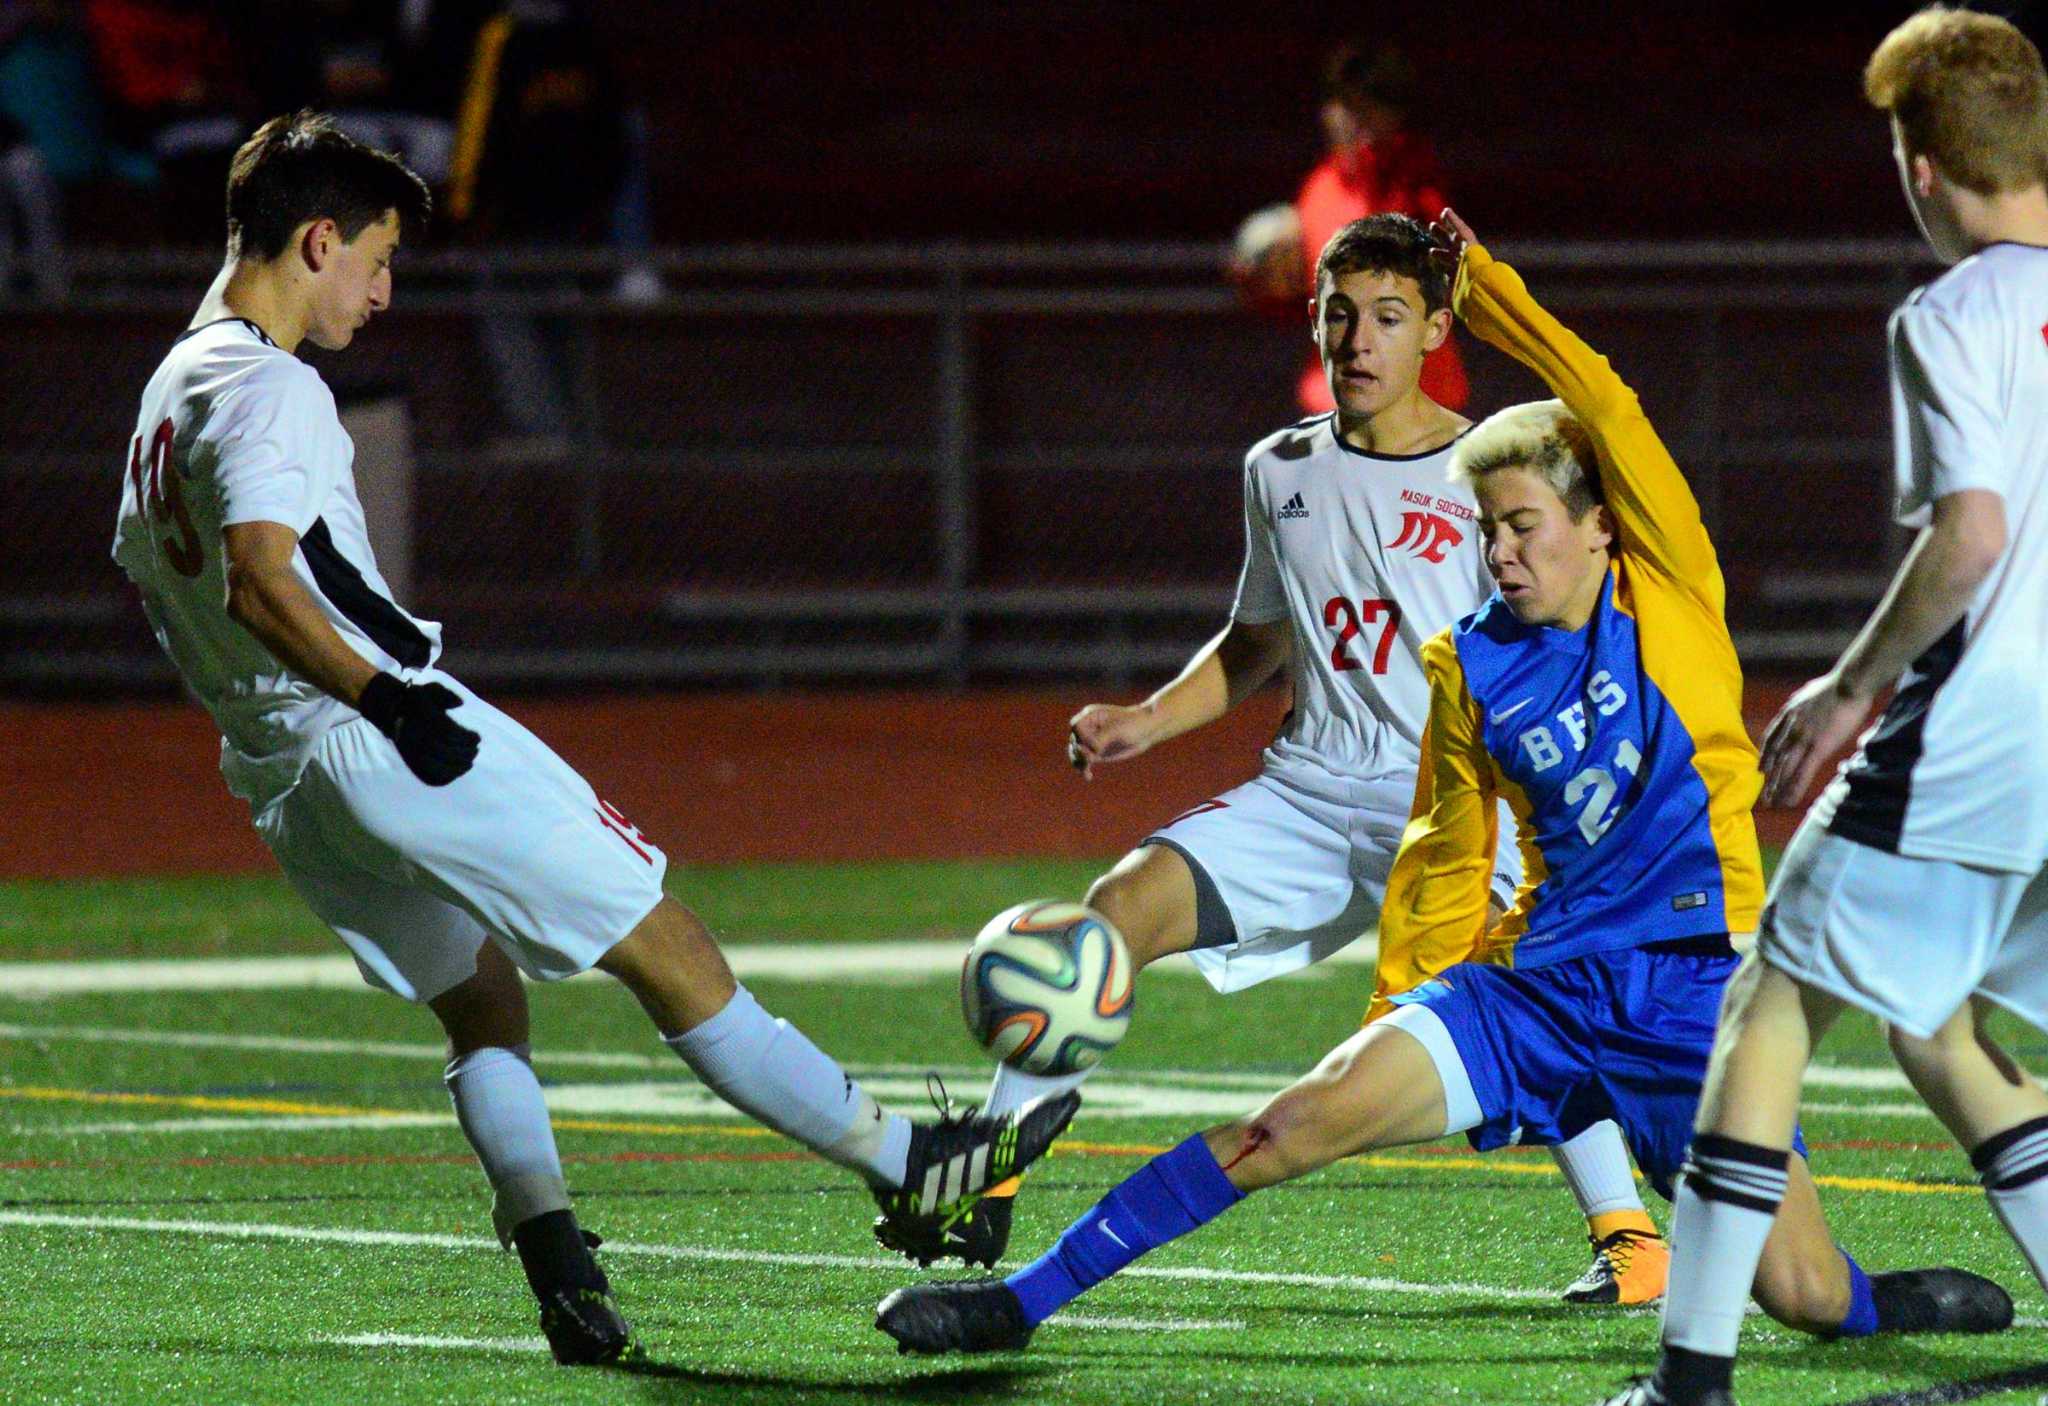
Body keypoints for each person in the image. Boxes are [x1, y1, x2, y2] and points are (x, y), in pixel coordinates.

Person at [870, 208, 2015, 1361]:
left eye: (1519, 526)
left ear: (1603, 529)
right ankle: (1013, 1300)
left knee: (1805, 1292)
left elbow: (1604, 401)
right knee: (1287, 1126)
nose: (1498, 552)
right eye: (1485, 529)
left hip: (1691, 999)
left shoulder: (1670, 600)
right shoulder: (1467, 657)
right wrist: (1404, 1011)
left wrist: (1488, 291)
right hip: (1531, 990)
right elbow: (1443, 849)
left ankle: (1871, 1294)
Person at [108, 110, 1075, 1368]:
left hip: (278, 774)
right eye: (378, 259)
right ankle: (910, 1162)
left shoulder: (164, 395)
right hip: (380, 728)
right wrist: (388, 698)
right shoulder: (269, 381)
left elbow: (193, 593)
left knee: (483, 1005)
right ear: (317, 237)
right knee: (661, 939)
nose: (384, 291)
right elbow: (257, 574)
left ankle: (558, 1262)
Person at [876, 212, 1676, 1311]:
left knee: (1520, 1003)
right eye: (1337, 315)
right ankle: (993, 1164)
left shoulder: (1490, 468)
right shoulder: (1278, 466)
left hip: (1455, 810)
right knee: (1118, 907)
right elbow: (1259, 636)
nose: (1357, 340)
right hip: (1309, 789)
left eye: (1387, 318)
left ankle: (1629, 1236)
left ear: (1435, 329)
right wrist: (1148, 719)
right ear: (1310, 322)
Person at [1597, 10, 2048, 1405]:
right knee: (1937, 1020)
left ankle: (1690, 1378)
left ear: (1920, 166)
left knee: (1772, 1007)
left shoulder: (1952, 314)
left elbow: (1970, 532)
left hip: (1983, 726)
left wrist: (1851, 689)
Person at [1283, 41, 1469, 415]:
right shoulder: (1317, 191)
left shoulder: (1416, 181)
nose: (1357, 121)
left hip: (1421, 405)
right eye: (1348, 106)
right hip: (1336, 405)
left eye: (1370, 108)